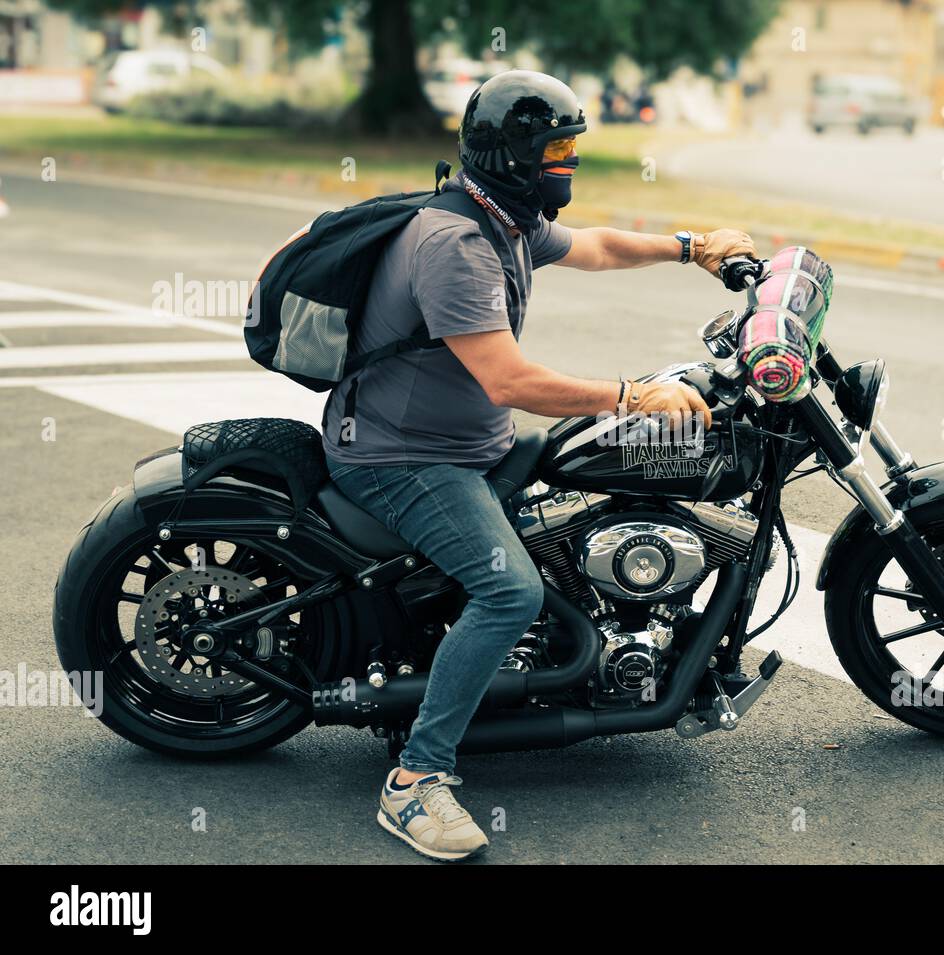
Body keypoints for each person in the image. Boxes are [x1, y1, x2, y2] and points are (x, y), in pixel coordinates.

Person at [321, 69, 756, 861]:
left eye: (570, 145)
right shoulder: (456, 244)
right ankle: (416, 778)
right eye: (555, 145)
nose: (568, 159)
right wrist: (632, 394)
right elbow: (510, 380)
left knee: (578, 505)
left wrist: (689, 248)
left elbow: (591, 245)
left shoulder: (503, 218)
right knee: (510, 590)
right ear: (514, 152)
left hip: (467, 441)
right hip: (401, 456)